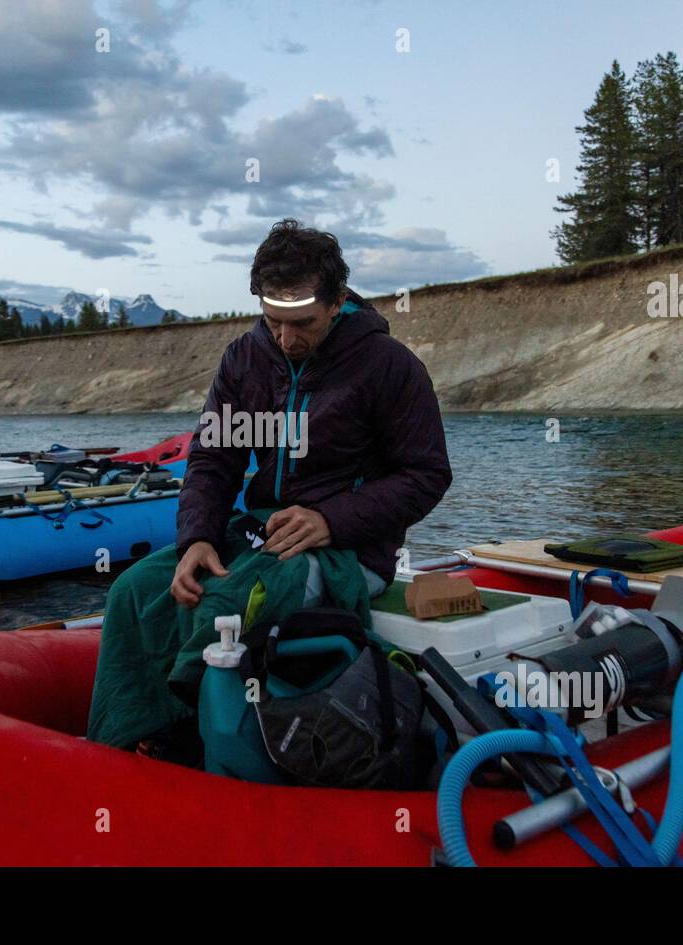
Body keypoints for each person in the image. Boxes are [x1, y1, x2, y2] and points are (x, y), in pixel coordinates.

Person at [86, 218, 452, 759]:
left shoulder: (390, 367)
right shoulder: (244, 358)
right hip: (257, 535)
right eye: (272, 320)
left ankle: (190, 743)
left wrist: (332, 520)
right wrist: (198, 539)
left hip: (349, 552)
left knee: (228, 605)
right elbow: (213, 459)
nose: (285, 339)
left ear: (335, 302)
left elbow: (426, 476)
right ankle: (122, 743)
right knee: (132, 592)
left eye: (301, 323)